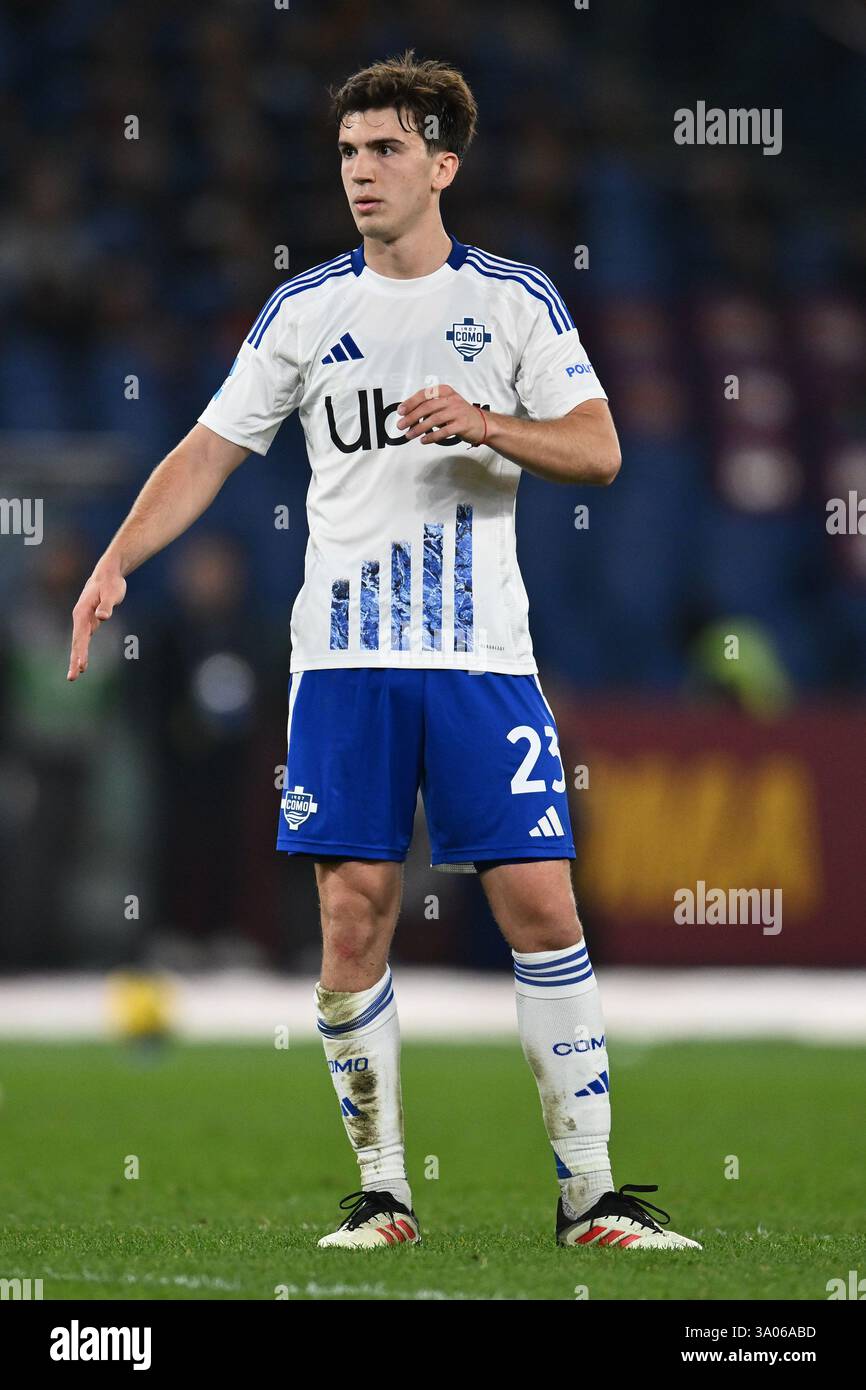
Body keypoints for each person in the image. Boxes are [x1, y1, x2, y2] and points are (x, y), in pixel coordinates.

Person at [68, 49, 700, 1252]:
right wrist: (118, 558)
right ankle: (383, 1193)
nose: (360, 170)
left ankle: (589, 1197)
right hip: (344, 668)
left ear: (442, 163)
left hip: (480, 660)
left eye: (386, 149)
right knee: (352, 917)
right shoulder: (304, 310)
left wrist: (486, 423)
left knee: (539, 907)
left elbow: (600, 449)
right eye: (350, 151)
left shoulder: (514, 300)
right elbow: (207, 449)